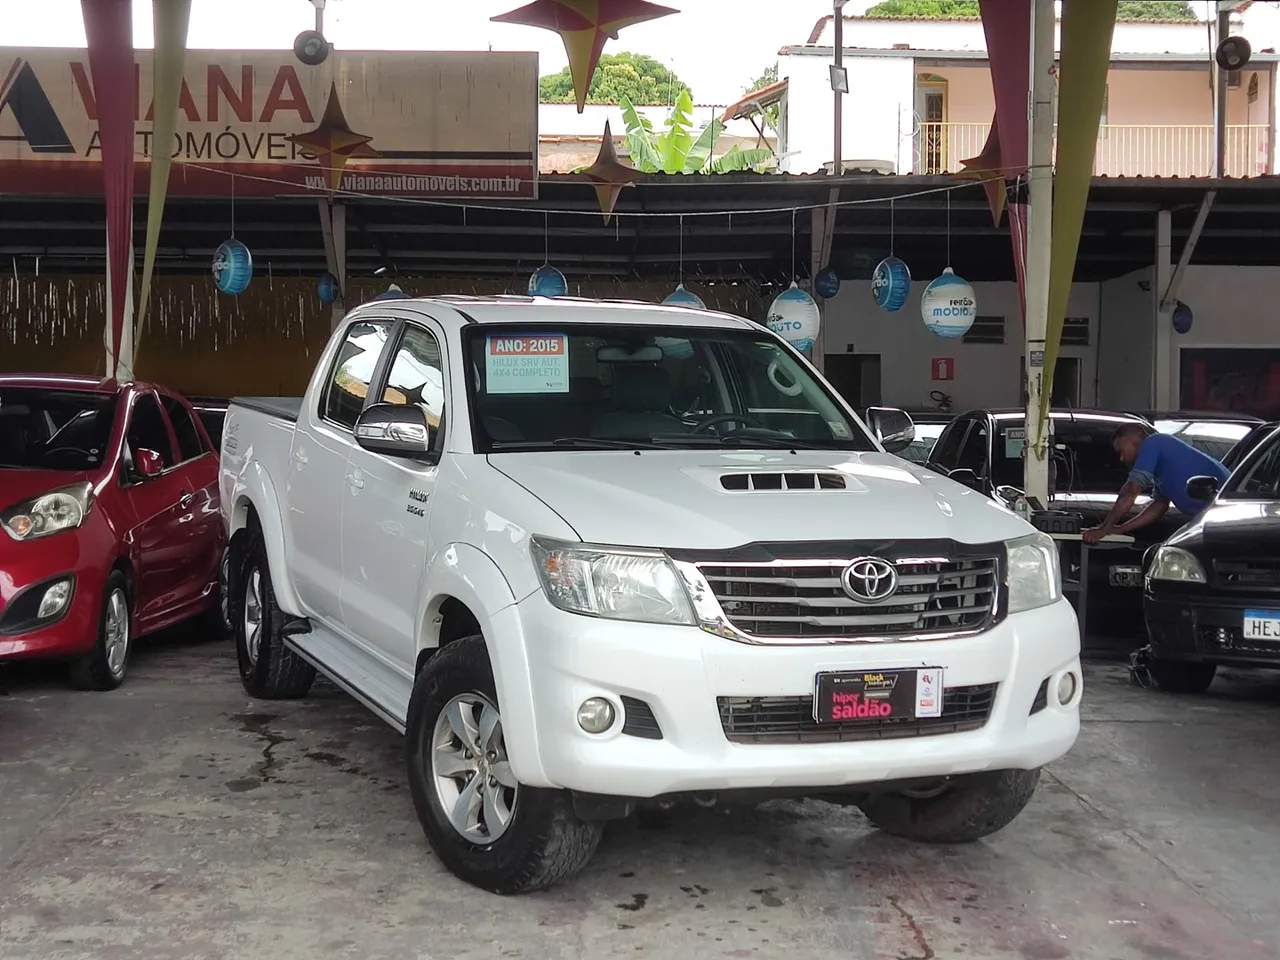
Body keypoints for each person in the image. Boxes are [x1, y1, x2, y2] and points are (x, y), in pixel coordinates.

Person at [1082, 423, 1230, 544]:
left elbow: (1130, 491)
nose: (1121, 458)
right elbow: (1159, 507)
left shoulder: (1153, 443)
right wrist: (1119, 529)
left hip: (1224, 519)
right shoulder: (1161, 468)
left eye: (1121, 450)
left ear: (1134, 438)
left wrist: (1102, 529)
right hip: (1214, 522)